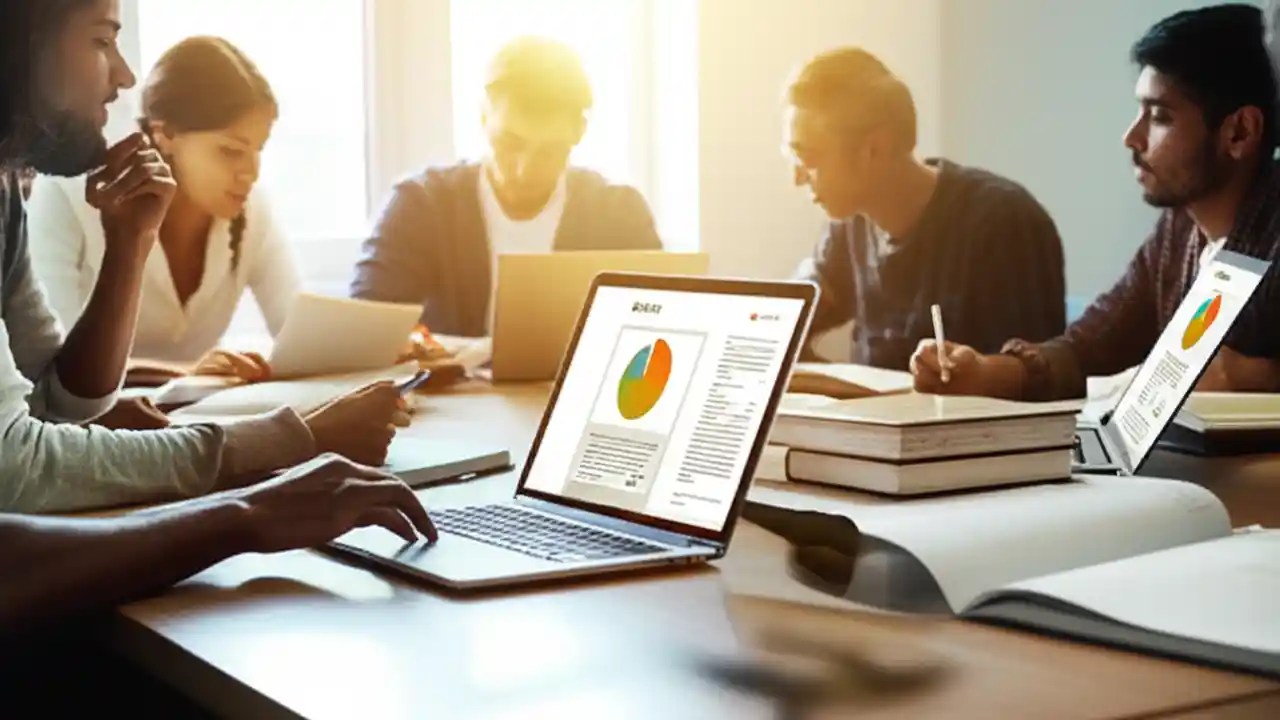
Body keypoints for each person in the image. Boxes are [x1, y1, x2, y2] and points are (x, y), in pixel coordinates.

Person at [0, 0, 435, 655]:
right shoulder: (53, 196)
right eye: (101, 40)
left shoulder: (7, 193)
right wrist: (273, 466)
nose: (122, 75)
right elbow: (20, 469)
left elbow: (59, 405)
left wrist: (130, 245)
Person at [912, 4, 1280, 400]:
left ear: (1239, 132)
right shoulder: (1178, 231)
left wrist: (1264, 378)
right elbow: (1087, 350)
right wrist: (984, 373)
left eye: (1159, 117)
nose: (1131, 137)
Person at [28, 36, 299, 389]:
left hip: (192, 424)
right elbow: (48, 368)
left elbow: (297, 332)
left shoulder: (251, 210)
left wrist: (370, 349)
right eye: (231, 151)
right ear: (166, 134)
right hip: (92, 433)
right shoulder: (69, 195)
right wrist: (182, 376)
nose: (251, 172)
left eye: (258, 150)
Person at [350, 36, 662, 336]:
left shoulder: (619, 212)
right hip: (446, 391)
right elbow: (366, 326)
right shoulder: (421, 205)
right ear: (483, 118)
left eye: (550, 151)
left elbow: (664, 326)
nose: (524, 170)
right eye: (510, 143)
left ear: (578, 132)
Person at [787, 47, 1066, 370]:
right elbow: (795, 311)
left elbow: (1034, 386)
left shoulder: (1003, 224)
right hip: (878, 419)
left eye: (807, 157)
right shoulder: (850, 225)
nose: (797, 177)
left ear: (874, 149)